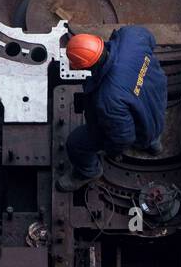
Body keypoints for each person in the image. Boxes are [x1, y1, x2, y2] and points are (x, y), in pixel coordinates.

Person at [56, 27, 167, 191]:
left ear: (85, 67)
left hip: (136, 119)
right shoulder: (130, 36)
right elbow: (150, 38)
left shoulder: (108, 98)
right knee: (147, 118)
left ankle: (88, 172)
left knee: (76, 144)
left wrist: (113, 151)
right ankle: (153, 142)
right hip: (156, 99)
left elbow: (123, 138)